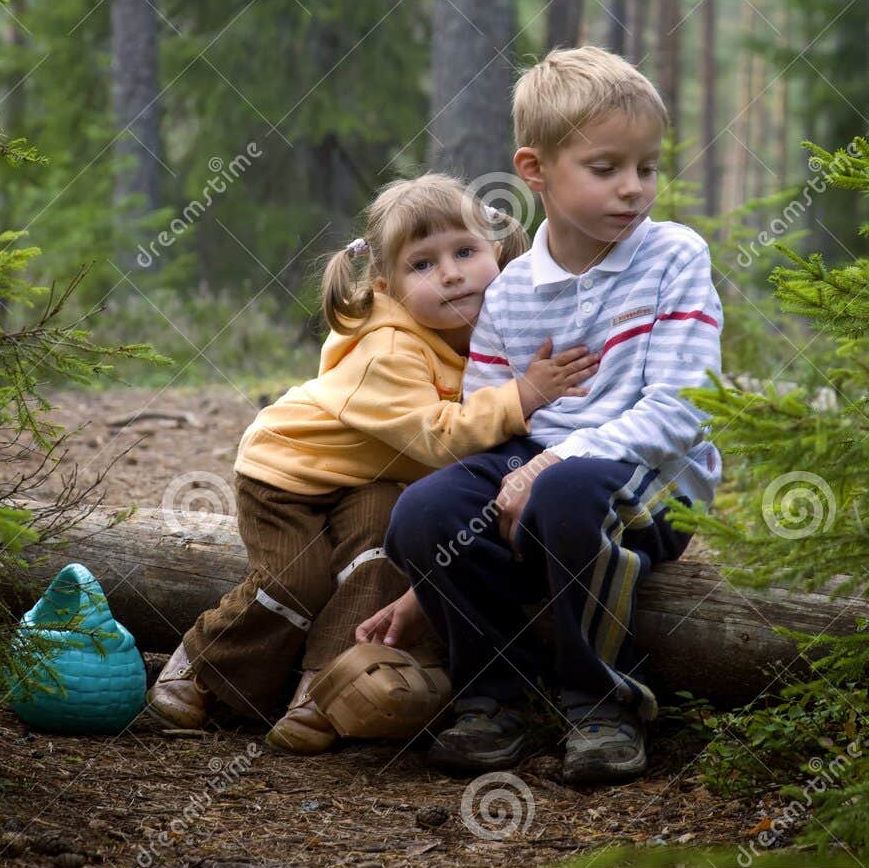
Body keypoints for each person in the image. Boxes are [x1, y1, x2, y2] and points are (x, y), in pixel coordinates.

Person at [363, 46, 723, 785]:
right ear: (535, 170)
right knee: (425, 509)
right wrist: (426, 575)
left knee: (567, 491)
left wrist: (551, 461)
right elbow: (491, 424)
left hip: (655, 476)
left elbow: (683, 406)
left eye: (646, 168)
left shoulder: (674, 257)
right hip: (540, 469)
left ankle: (603, 702)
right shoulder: (512, 289)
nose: (634, 189)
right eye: (606, 168)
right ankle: (492, 698)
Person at [144, 173, 600, 754]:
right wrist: (524, 396)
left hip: (376, 478)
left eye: (465, 252)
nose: (452, 273)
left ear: (499, 253)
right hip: (290, 473)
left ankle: (326, 690)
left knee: (378, 563)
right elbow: (438, 438)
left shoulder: (495, 327)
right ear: (388, 284)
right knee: (296, 579)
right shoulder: (387, 349)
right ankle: (205, 667)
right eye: (423, 265)